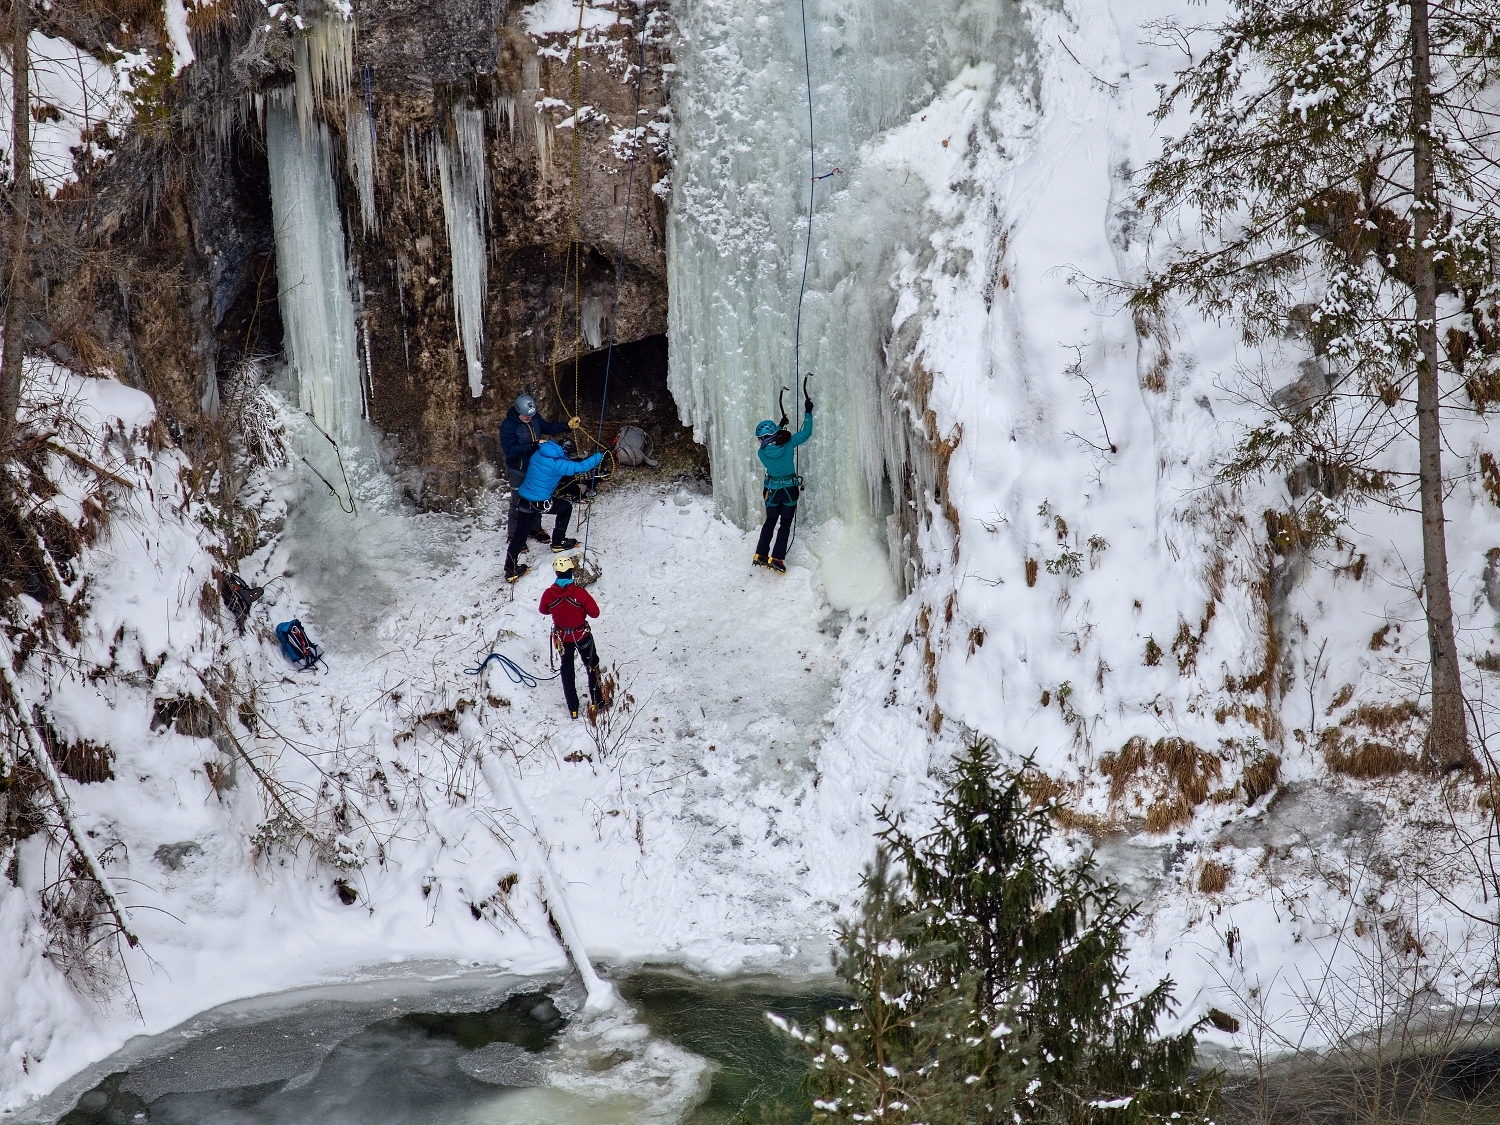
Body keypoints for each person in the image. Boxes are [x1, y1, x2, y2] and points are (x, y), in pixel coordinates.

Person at [504, 437, 604, 582]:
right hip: (539, 502)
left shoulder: (540, 453)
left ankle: (510, 569)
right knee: (565, 508)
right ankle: (558, 541)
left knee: (520, 534)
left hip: (525, 499)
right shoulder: (557, 464)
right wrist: (599, 456)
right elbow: (580, 467)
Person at [500, 392, 578, 548]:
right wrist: (531, 446)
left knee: (537, 497)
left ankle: (534, 528)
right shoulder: (509, 426)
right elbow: (509, 451)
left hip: (534, 469)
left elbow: (548, 427)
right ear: (517, 411)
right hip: (518, 469)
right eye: (526, 416)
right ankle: (515, 536)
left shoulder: (534, 418)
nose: (529, 418)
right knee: (518, 502)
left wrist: (566, 426)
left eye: (531, 416)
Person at [752, 391, 814, 573]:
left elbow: (772, 442)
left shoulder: (761, 453)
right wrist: (808, 412)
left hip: (771, 491)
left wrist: (780, 425)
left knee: (770, 521)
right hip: (789, 490)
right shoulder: (788, 445)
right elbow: (806, 433)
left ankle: (761, 555)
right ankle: (777, 559)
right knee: (785, 523)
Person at [539, 555, 604, 718]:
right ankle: (598, 703)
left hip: (563, 638)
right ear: (571, 572)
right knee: (592, 666)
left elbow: (543, 610)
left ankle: (573, 708)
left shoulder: (548, 595)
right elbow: (595, 613)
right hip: (581, 635)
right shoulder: (579, 593)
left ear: (556, 573)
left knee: (567, 670)